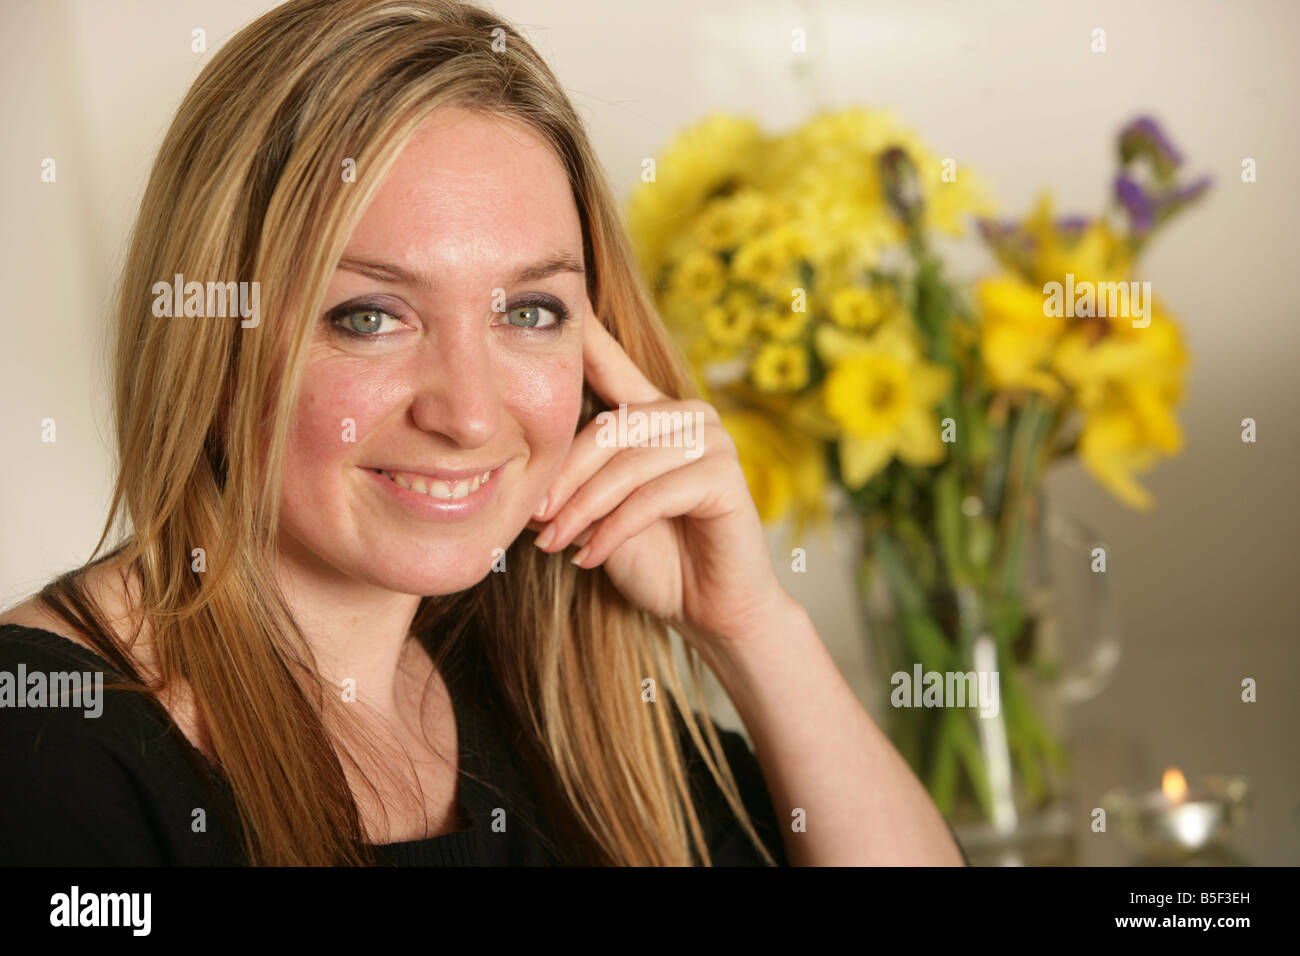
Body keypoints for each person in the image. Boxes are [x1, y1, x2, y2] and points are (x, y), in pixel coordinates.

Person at [0, 0, 966, 866]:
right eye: (369, 316)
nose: (467, 415)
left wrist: (752, 628)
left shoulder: (540, 691)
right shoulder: (45, 749)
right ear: (211, 334)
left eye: (530, 312)